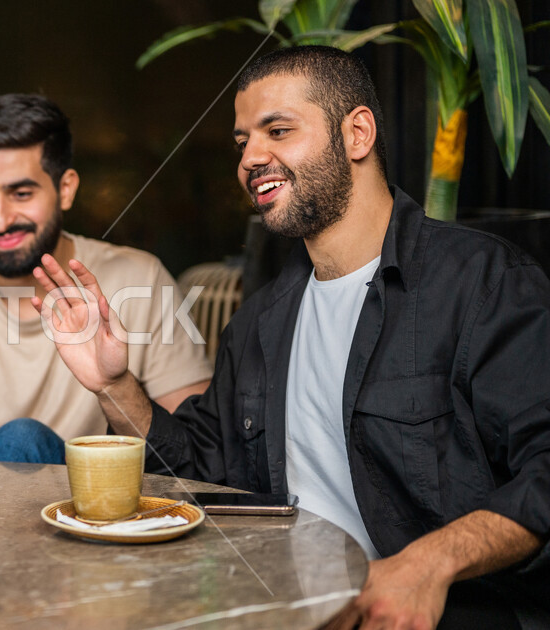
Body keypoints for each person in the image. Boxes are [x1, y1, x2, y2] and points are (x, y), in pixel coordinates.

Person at [33, 46, 549, 628]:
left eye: (277, 130)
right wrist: (112, 383)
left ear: (356, 134)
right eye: (241, 143)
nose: (251, 157)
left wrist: (427, 563)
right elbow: (198, 472)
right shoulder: (260, 320)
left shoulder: (484, 284)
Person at [0, 94, 212, 462]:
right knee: (19, 443)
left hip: (91, 511)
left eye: (20, 193)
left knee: (24, 441)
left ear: (65, 189)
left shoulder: (140, 281)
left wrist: (114, 386)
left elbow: (193, 463)